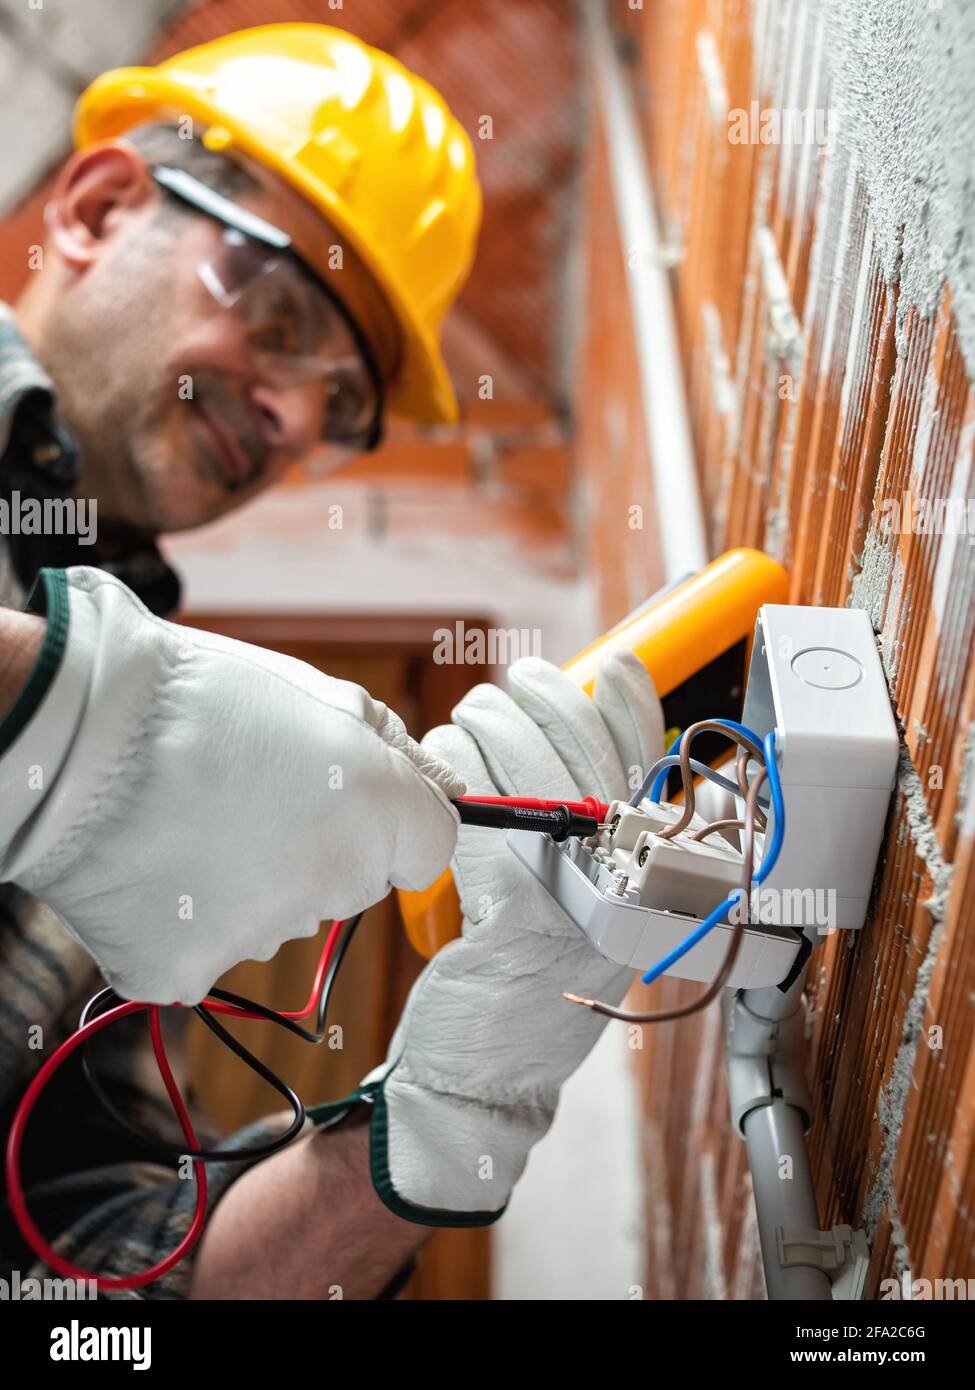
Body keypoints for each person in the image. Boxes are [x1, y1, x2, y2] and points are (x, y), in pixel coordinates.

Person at [0, 24, 664, 1298]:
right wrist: (85, 728)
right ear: (94, 207)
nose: (298, 417)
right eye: (281, 304)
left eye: (342, 400)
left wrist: (439, 1125)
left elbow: (108, 1293)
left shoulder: (137, 629)